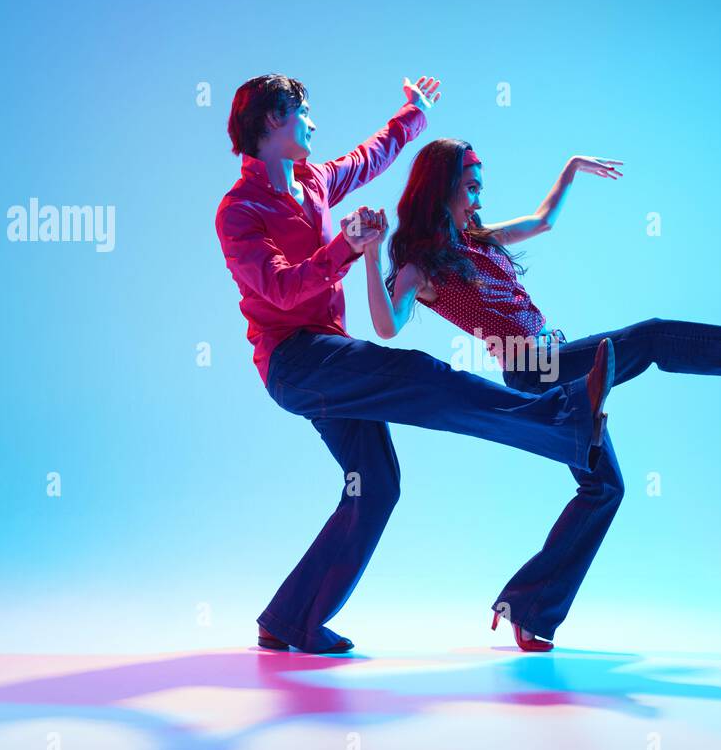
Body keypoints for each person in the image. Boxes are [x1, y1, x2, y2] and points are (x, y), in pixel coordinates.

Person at [360, 138, 721, 651]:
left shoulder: (481, 239)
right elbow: (387, 325)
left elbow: (542, 219)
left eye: (479, 189)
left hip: (555, 360)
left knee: (606, 488)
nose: (478, 200)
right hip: (536, 369)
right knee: (653, 336)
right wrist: (372, 252)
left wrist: (571, 168)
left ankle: (526, 608)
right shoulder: (422, 265)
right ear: (441, 186)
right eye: (470, 188)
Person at [215, 78, 615, 654]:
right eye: (303, 112)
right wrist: (346, 249)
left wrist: (415, 112)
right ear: (273, 119)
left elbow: (371, 154)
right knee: (424, 377)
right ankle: (567, 421)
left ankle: (288, 619)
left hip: (330, 361)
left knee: (374, 485)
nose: (313, 122)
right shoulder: (239, 211)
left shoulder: (315, 183)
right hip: (297, 361)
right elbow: (277, 289)